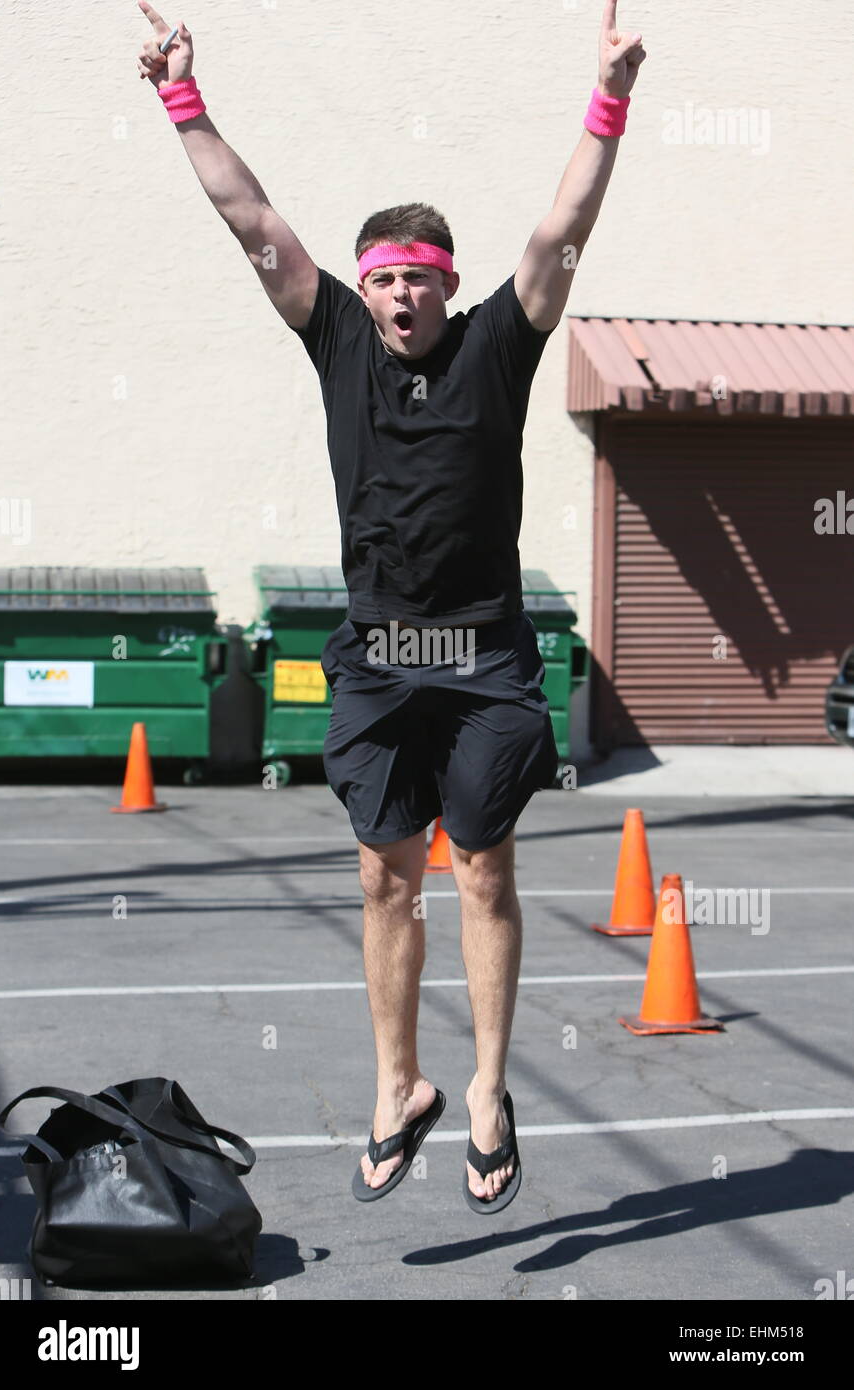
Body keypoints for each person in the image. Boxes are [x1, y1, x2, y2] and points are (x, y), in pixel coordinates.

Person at [136, 0, 646, 1212]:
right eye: (384, 279)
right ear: (361, 289)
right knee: (380, 872)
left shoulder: (497, 346)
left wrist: (609, 99)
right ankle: (399, 1085)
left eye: (419, 278)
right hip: (375, 656)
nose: (402, 296)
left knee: (477, 866)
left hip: (483, 663)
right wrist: (181, 100)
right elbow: (247, 216)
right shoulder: (335, 342)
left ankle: (482, 1091)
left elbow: (563, 225)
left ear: (449, 284)